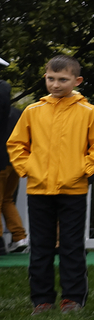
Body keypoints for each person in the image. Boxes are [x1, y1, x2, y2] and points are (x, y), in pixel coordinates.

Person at [7, 56, 94, 313]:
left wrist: (82, 171)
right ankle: (42, 299)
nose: (55, 84)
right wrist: (27, 169)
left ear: (77, 80)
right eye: (51, 79)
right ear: (45, 77)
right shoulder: (33, 111)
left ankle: (72, 298)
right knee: (40, 246)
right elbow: (16, 145)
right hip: (38, 189)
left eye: (63, 79)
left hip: (73, 190)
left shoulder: (89, 112)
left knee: (71, 246)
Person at [0, 89, 26, 254]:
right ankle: (19, 237)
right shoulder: (18, 113)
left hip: (1, 162)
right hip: (14, 162)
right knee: (7, 200)